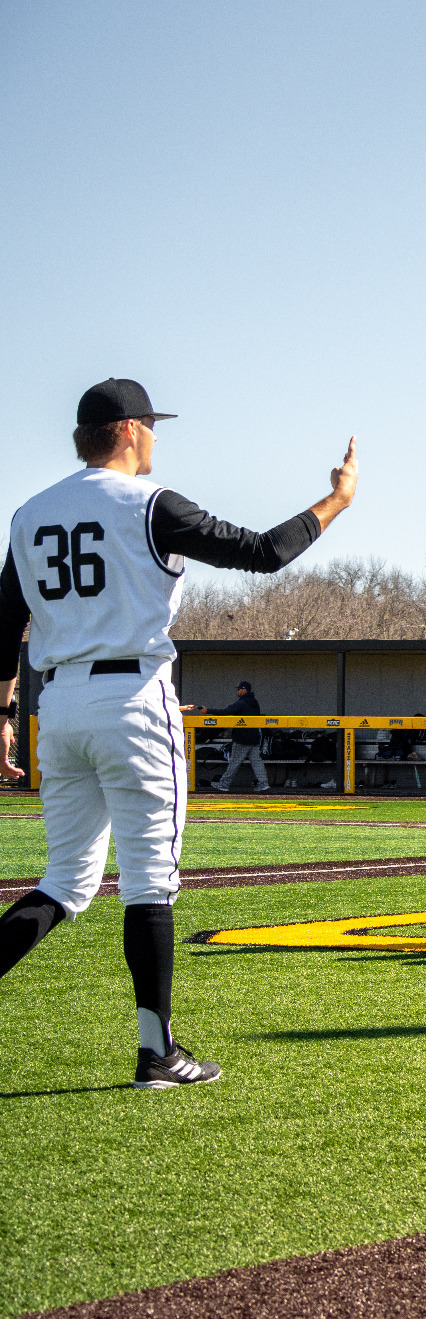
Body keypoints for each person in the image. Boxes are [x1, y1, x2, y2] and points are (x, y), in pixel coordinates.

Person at [0, 377, 357, 1087]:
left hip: (59, 703)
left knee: (65, 882)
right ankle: (156, 1051)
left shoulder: (30, 513)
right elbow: (262, 551)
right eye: (152, 426)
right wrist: (338, 500)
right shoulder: (151, 503)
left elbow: (4, 624)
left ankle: (156, 1047)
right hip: (133, 698)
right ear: (129, 430)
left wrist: (2, 717)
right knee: (149, 882)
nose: (156, 436)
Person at [189, 680, 269, 792]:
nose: (238, 691)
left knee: (234, 762)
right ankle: (264, 784)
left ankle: (224, 784)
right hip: (255, 736)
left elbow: (226, 711)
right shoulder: (254, 701)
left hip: (242, 737)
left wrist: (208, 711)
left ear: (244, 690)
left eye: (239, 689)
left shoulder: (242, 702)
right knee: (257, 762)